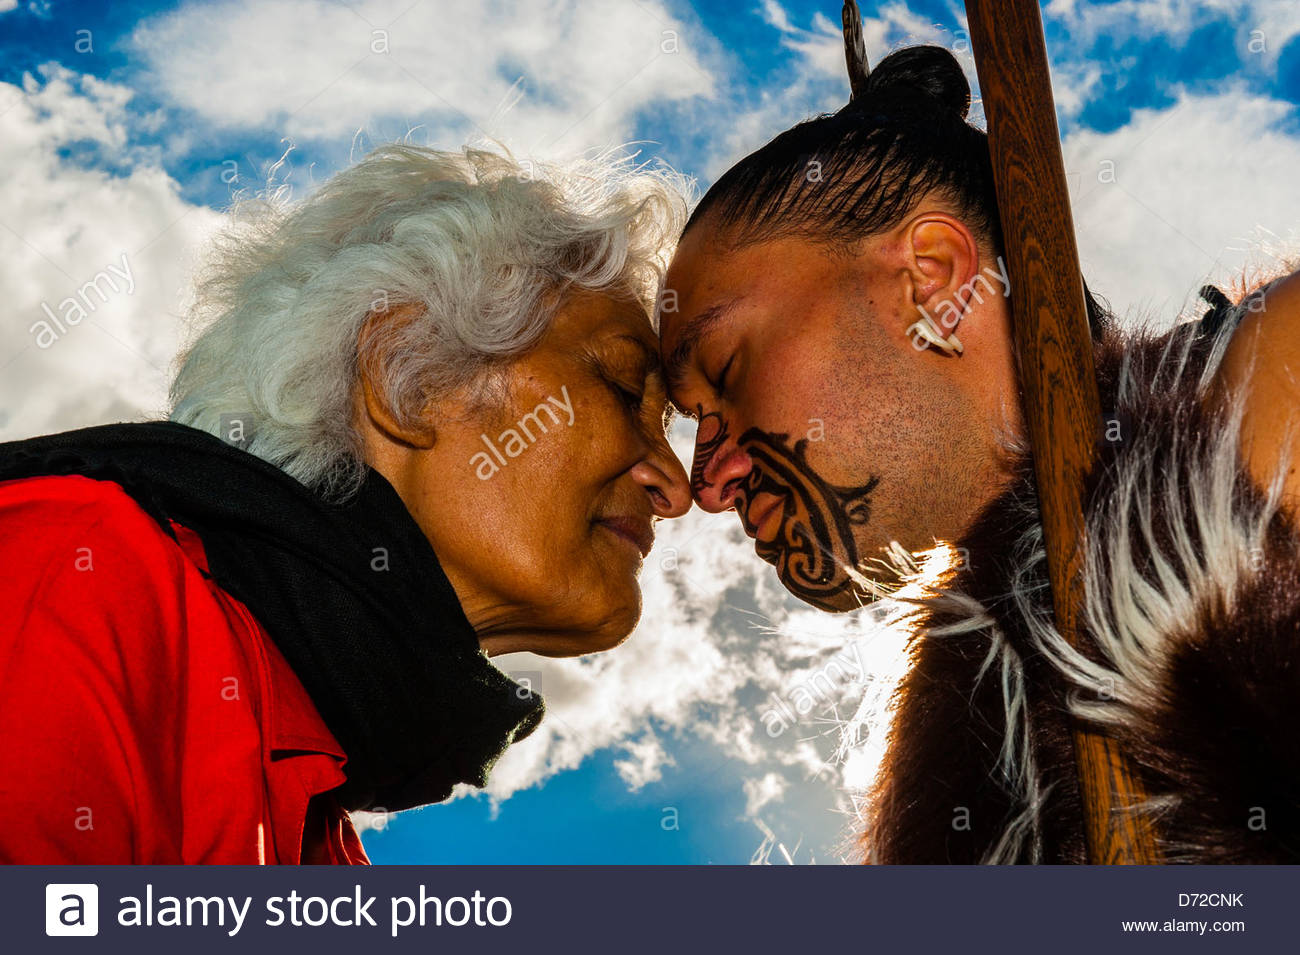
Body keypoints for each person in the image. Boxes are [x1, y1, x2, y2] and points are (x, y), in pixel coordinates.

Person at [658, 43, 1300, 863]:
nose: (707, 484)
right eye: (694, 426)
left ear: (930, 278)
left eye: (724, 371)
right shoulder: (957, 715)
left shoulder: (1266, 393)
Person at [0, 144, 691, 864]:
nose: (675, 487)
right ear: (407, 377)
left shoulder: (327, 832)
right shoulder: (81, 575)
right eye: (620, 388)